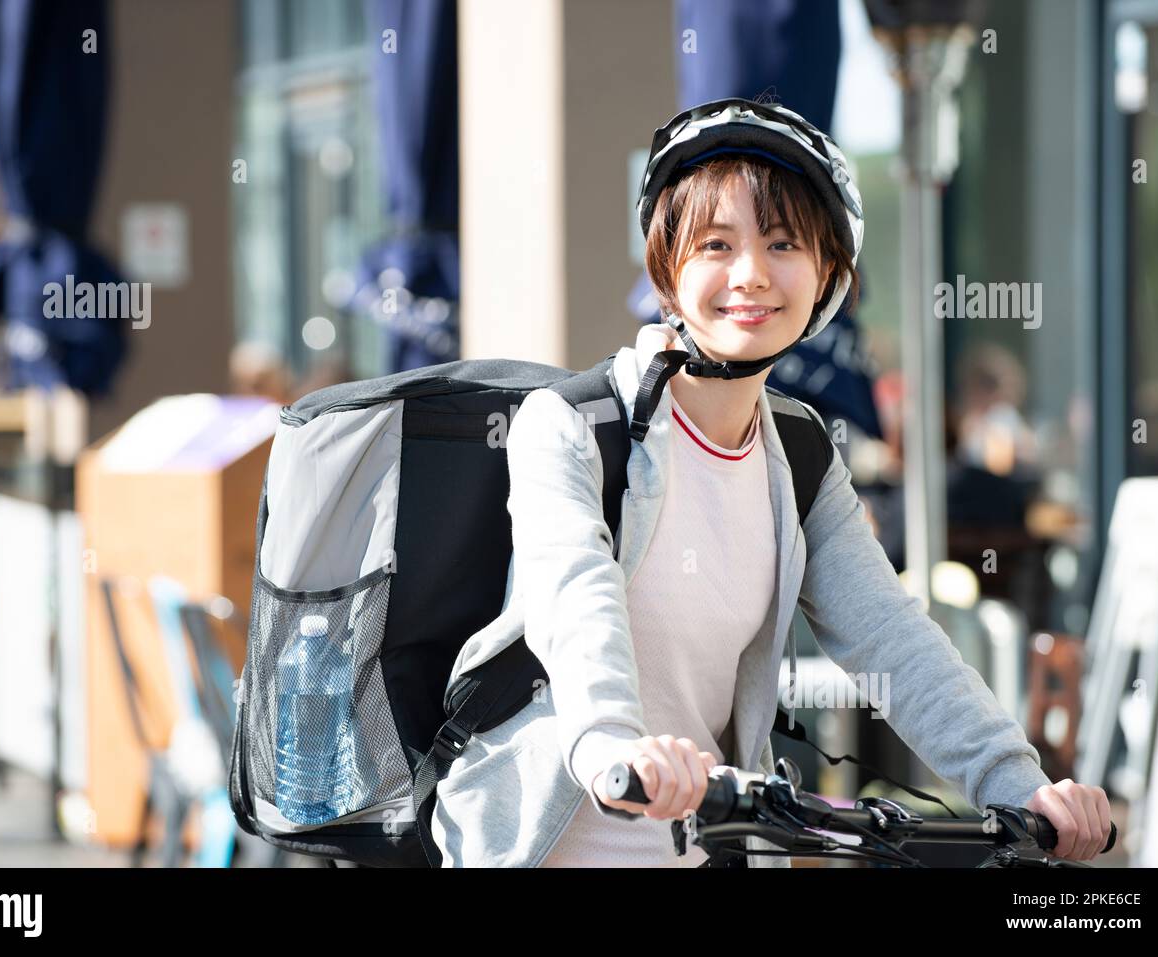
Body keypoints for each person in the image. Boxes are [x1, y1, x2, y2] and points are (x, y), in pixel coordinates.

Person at [430, 97, 1111, 867]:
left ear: (826, 275)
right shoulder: (572, 425)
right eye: (716, 243)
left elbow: (891, 635)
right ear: (667, 270)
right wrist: (610, 744)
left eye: (783, 241)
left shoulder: (800, 453)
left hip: (704, 848)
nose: (750, 274)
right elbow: (573, 598)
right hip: (544, 845)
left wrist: (1019, 784)